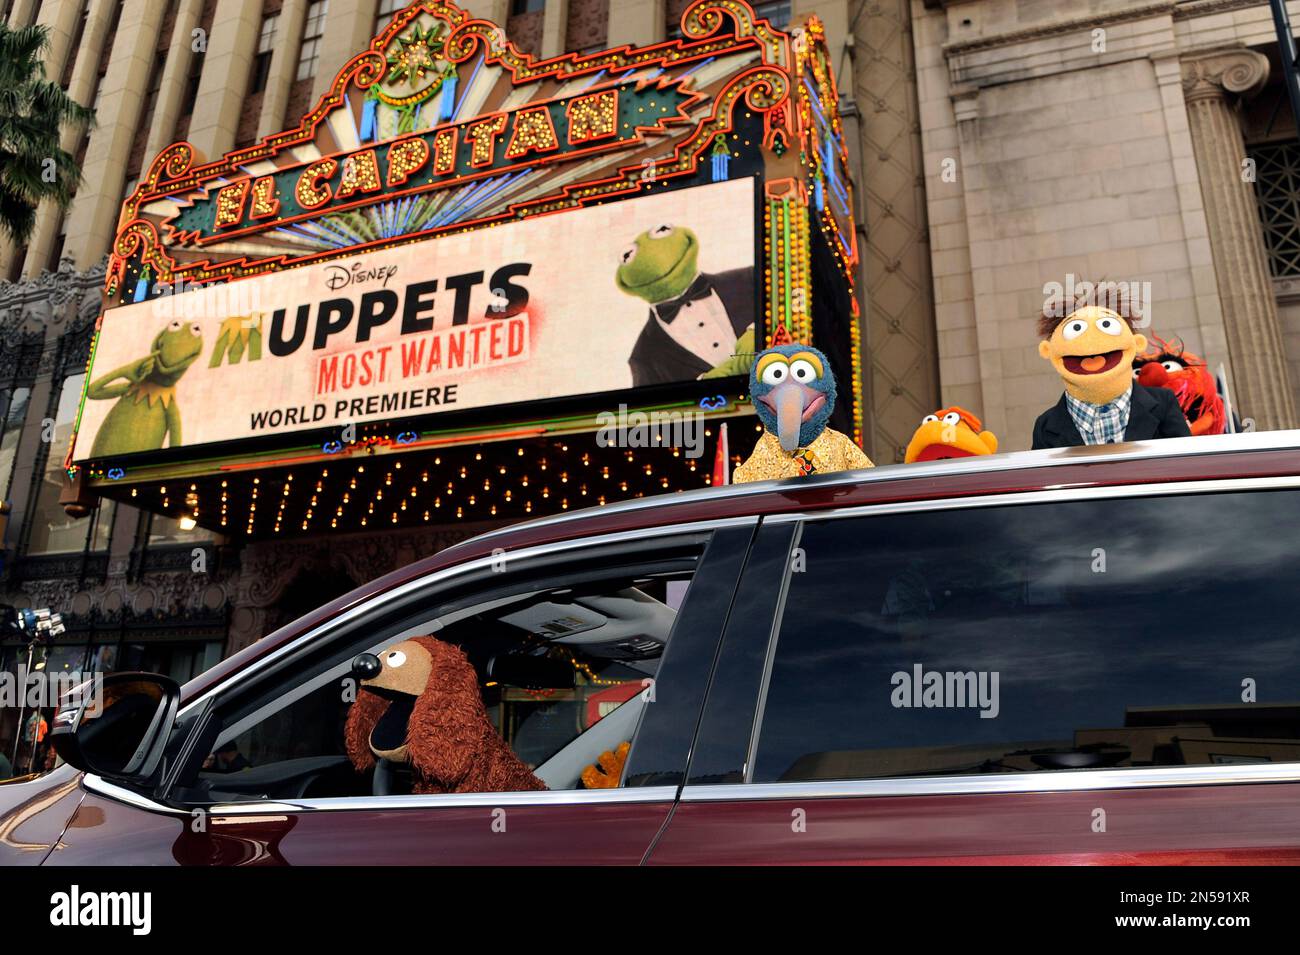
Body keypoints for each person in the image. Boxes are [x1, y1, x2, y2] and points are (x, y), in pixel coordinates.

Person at [1032, 284, 1190, 449]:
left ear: (1137, 343)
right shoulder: (1045, 426)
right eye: (1076, 329)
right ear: (1047, 351)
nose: (1091, 342)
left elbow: (1188, 463)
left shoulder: (1163, 403)